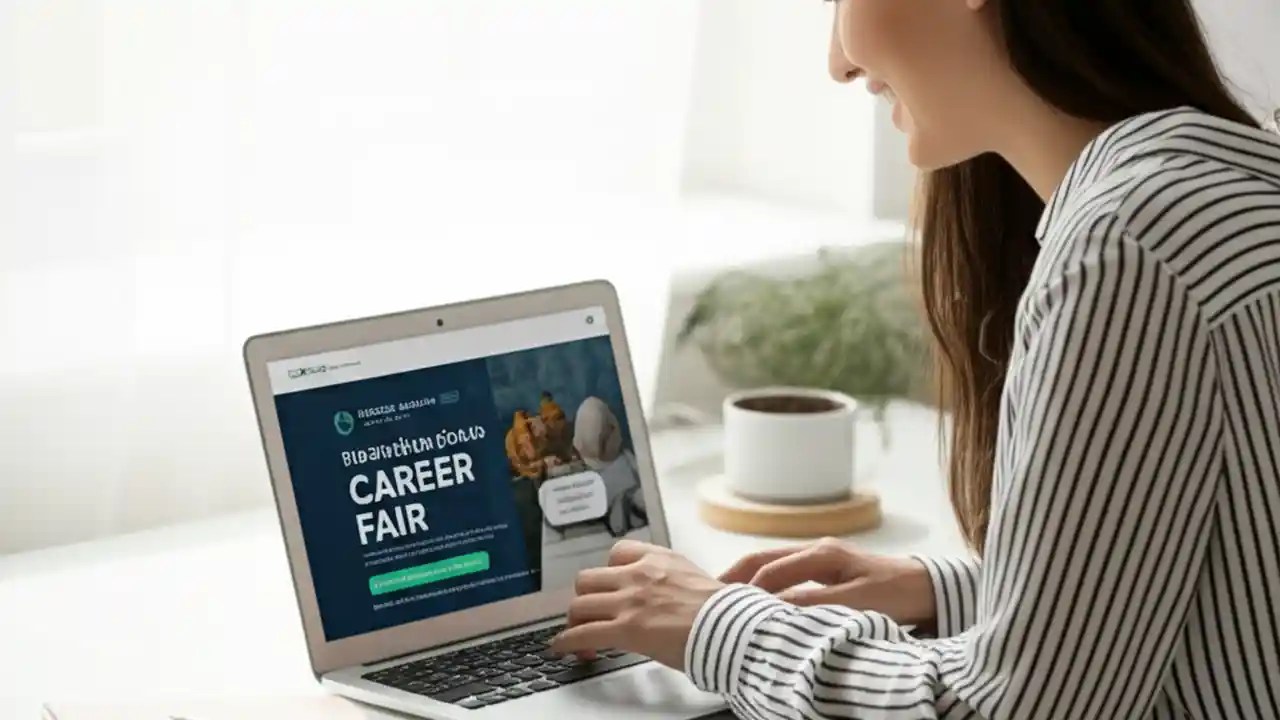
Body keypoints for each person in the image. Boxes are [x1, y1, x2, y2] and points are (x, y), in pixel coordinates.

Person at [550, 0, 1280, 717]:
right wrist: (955, 592)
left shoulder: (1127, 250)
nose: (838, 63)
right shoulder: (1215, 198)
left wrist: (721, 629)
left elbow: (1008, 712)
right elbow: (1218, 604)